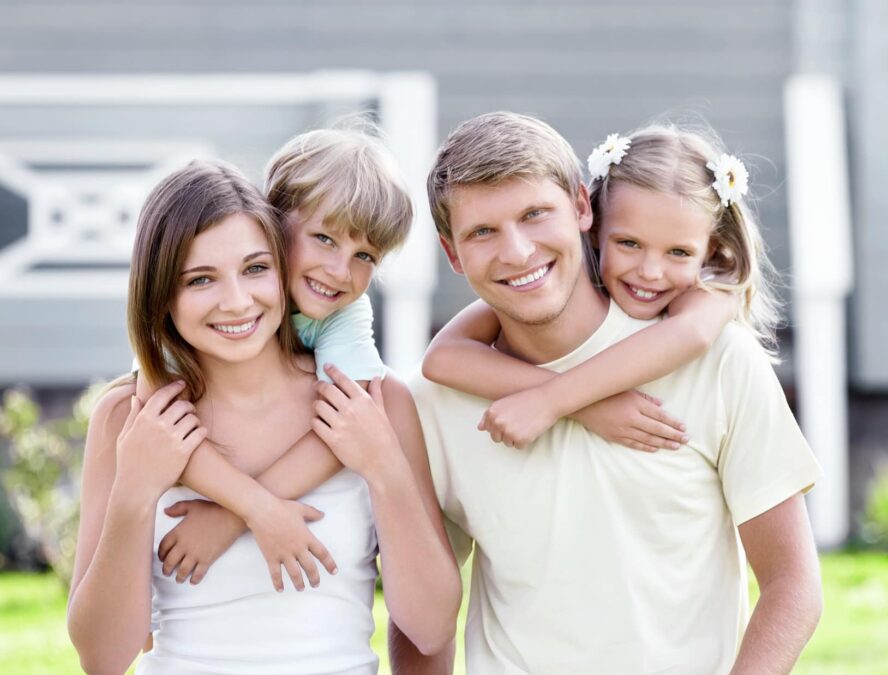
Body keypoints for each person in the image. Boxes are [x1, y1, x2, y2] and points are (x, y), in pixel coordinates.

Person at [393, 112, 824, 674]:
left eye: (534, 215)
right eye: (482, 232)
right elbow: (422, 621)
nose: (518, 252)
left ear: (580, 207)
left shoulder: (719, 360)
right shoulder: (433, 400)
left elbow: (793, 585)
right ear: (453, 255)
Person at [67, 160, 459, 674]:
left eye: (255, 269)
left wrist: (384, 468)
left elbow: (431, 629)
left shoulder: (374, 405)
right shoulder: (128, 417)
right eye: (201, 279)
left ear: (281, 266)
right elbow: (102, 659)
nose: (237, 302)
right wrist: (135, 493)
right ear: (161, 293)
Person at [138, 126, 414, 593]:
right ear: (273, 218)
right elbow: (158, 425)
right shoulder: (195, 307)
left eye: (365, 254)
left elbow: (346, 427)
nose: (339, 271)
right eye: (324, 239)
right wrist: (257, 509)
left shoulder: (344, 311)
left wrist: (230, 517)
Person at [422, 123, 780, 453]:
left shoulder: (711, 300)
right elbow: (442, 359)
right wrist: (588, 407)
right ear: (595, 225)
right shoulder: (539, 285)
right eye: (628, 243)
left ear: (711, 250)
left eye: (678, 252)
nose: (651, 272)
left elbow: (692, 334)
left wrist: (552, 401)